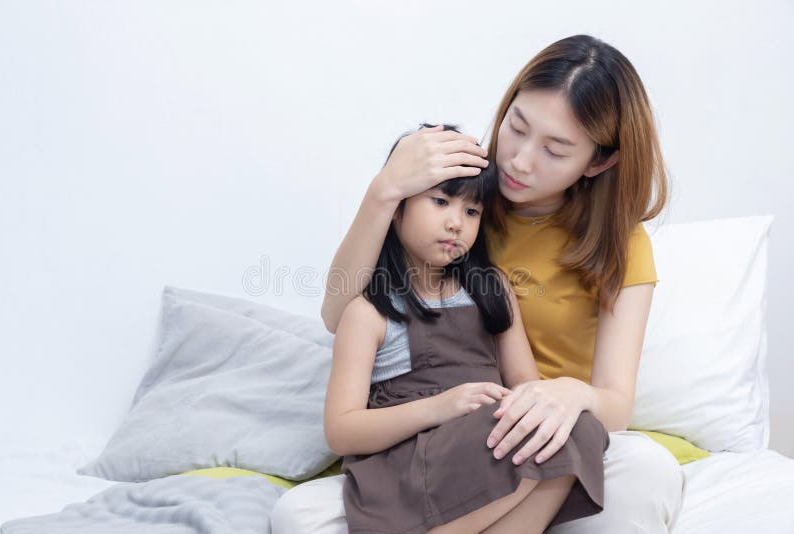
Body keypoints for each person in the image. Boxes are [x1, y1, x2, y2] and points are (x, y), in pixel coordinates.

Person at [271, 34, 684, 533]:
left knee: (646, 470)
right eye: (517, 126)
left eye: (555, 150)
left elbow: (614, 402)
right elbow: (338, 314)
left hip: (546, 429)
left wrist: (569, 395)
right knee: (296, 516)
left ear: (598, 162)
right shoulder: (465, 197)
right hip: (447, 435)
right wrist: (385, 190)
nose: (520, 161)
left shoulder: (620, 242)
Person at [313, 123, 610, 533]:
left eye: (471, 211)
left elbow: (526, 384)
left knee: (575, 428)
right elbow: (341, 431)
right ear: (396, 208)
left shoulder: (492, 289)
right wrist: (440, 407)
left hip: (481, 446)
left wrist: (540, 407)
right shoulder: (369, 311)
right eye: (440, 201)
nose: (457, 223)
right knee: (540, 433)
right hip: (409, 462)